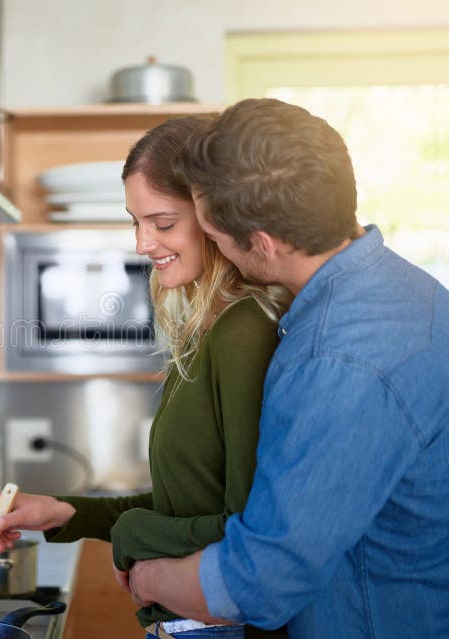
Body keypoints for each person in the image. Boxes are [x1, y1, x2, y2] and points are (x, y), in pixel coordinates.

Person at [123, 98, 449, 639]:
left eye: (212, 230)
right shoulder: (412, 292)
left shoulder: (336, 361)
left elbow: (260, 582)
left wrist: (149, 577)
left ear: (263, 244)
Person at [0, 115, 291, 639]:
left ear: (217, 216)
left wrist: (130, 531)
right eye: (135, 221)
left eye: (163, 223)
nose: (143, 244)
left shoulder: (244, 333)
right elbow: (187, 505)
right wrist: (64, 511)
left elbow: (251, 533)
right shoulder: (207, 332)